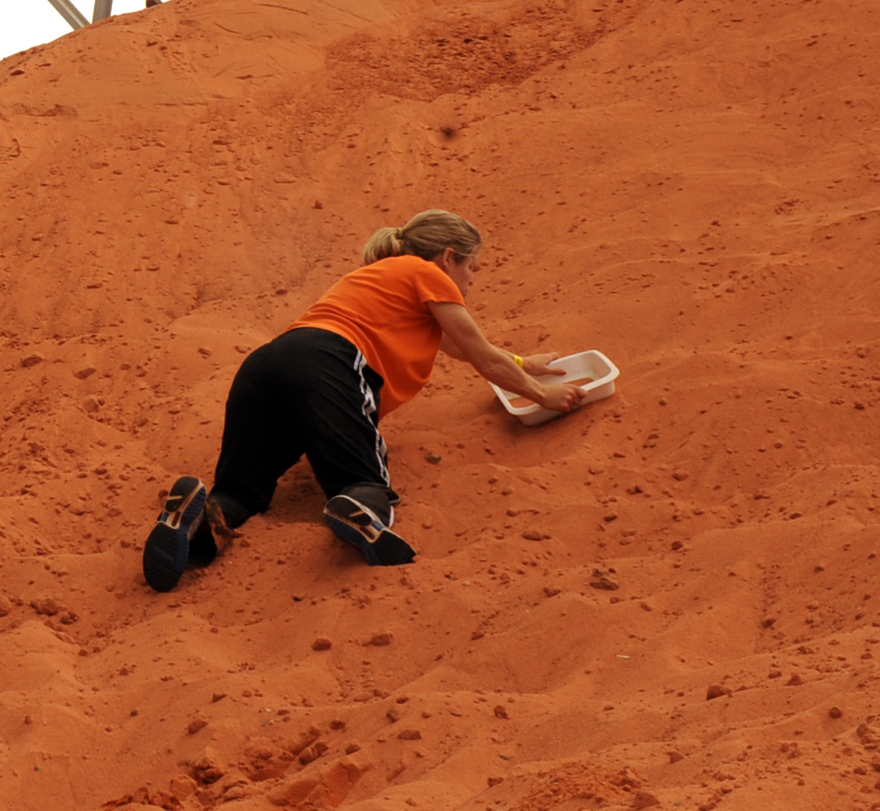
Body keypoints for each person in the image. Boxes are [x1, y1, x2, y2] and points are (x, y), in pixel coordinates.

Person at [139, 210, 585, 588]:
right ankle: (363, 511)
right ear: (449, 257)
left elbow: (465, 350)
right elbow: (483, 357)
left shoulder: (377, 279)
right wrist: (545, 396)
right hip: (329, 362)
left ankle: (193, 524)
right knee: (367, 481)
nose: (471, 280)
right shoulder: (428, 273)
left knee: (240, 493)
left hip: (266, 366)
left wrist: (527, 364)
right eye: (472, 267)